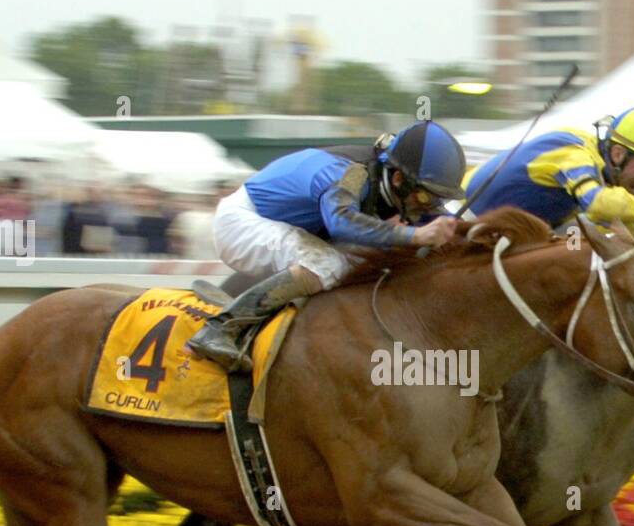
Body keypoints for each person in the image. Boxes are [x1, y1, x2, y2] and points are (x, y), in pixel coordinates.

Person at [186, 120, 464, 371]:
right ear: (399, 179)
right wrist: (415, 237)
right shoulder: (347, 173)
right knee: (329, 263)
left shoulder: (398, 183)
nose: (431, 206)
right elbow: (341, 223)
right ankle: (220, 329)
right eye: (427, 198)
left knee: (366, 261)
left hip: (293, 230)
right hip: (242, 223)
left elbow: (448, 226)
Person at [461, 106, 634, 237]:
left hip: (497, 231)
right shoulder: (574, 151)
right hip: (459, 216)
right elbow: (599, 204)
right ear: (619, 154)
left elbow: (620, 227)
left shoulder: (602, 173)